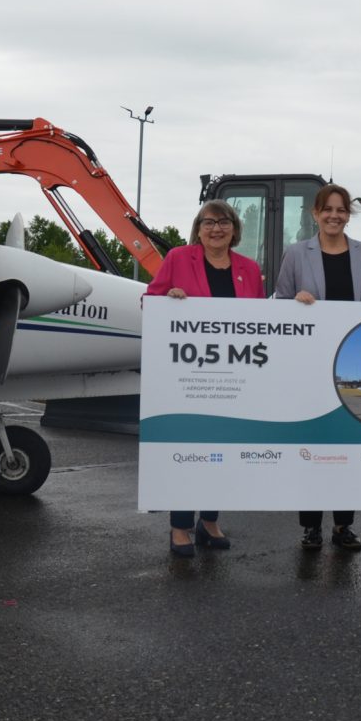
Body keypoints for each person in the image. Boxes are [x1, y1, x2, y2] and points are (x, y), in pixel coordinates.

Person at [275, 183, 361, 552]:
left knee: (348, 449)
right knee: (311, 448)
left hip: (349, 363)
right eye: (327, 209)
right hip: (309, 366)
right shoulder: (296, 254)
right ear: (315, 214)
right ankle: (310, 526)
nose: (334, 216)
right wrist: (294, 300)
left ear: (348, 215)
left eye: (341, 210)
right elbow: (278, 301)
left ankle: (343, 525)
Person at [144, 199, 265, 558]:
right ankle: (180, 525)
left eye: (224, 221)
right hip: (189, 377)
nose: (217, 228)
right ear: (198, 228)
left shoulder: (248, 268)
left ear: (234, 229)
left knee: (223, 450)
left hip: (235, 374)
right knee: (189, 448)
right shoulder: (178, 259)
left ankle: (209, 520)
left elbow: (260, 321)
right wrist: (168, 299)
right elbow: (149, 300)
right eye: (209, 222)